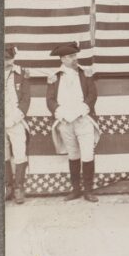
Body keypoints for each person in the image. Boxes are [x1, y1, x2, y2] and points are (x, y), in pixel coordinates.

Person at [45, 42, 100, 202]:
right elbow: (49, 100)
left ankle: (88, 191)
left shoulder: (85, 73)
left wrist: (82, 109)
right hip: (65, 121)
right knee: (73, 154)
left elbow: (92, 95)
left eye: (75, 55)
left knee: (88, 153)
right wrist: (60, 112)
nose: (74, 59)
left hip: (83, 119)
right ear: (62, 59)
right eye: (69, 57)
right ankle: (76, 190)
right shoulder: (54, 76)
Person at [4, 44, 31, 204]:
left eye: (9, 59)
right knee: (3, 153)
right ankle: (8, 187)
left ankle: (19, 187)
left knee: (20, 152)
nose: (7, 62)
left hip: (16, 119)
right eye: (5, 59)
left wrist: (14, 118)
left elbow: (26, 99)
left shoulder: (21, 74)